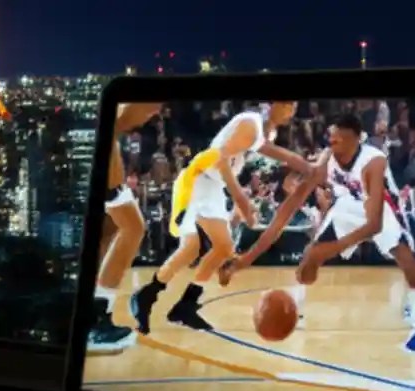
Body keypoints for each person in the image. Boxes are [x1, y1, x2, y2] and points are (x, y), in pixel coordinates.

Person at [128, 102, 312, 334]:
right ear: (272, 104)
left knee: (223, 248)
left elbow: (274, 152)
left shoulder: (265, 131)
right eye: (288, 105)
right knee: (191, 248)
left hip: (213, 186)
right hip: (196, 179)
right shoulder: (249, 124)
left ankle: (184, 306)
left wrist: (306, 165)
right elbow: (220, 159)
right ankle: (146, 296)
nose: (292, 111)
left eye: (295, 106)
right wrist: (241, 200)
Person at [295, 114, 415, 327]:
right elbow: (309, 176)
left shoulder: (373, 159)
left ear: (356, 139)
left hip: (382, 205)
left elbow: (374, 220)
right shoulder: (329, 157)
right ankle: (296, 306)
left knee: (403, 255)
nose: (334, 142)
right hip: (350, 203)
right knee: (312, 252)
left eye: (340, 137)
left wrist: (340, 245)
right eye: (333, 137)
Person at [88, 102, 163, 354]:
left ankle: (98, 311)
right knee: (124, 230)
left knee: (130, 228)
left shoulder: (119, 122)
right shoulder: (121, 113)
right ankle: (94, 322)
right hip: (108, 180)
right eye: (155, 107)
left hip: (113, 181)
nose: (155, 113)